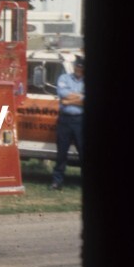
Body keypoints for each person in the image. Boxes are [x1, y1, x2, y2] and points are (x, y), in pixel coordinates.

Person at [50, 55, 84, 190]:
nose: (78, 69)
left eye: (81, 67)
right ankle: (57, 181)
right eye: (77, 66)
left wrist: (69, 100)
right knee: (61, 152)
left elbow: (66, 99)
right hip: (64, 120)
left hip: (80, 120)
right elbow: (62, 94)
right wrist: (79, 97)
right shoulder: (64, 78)